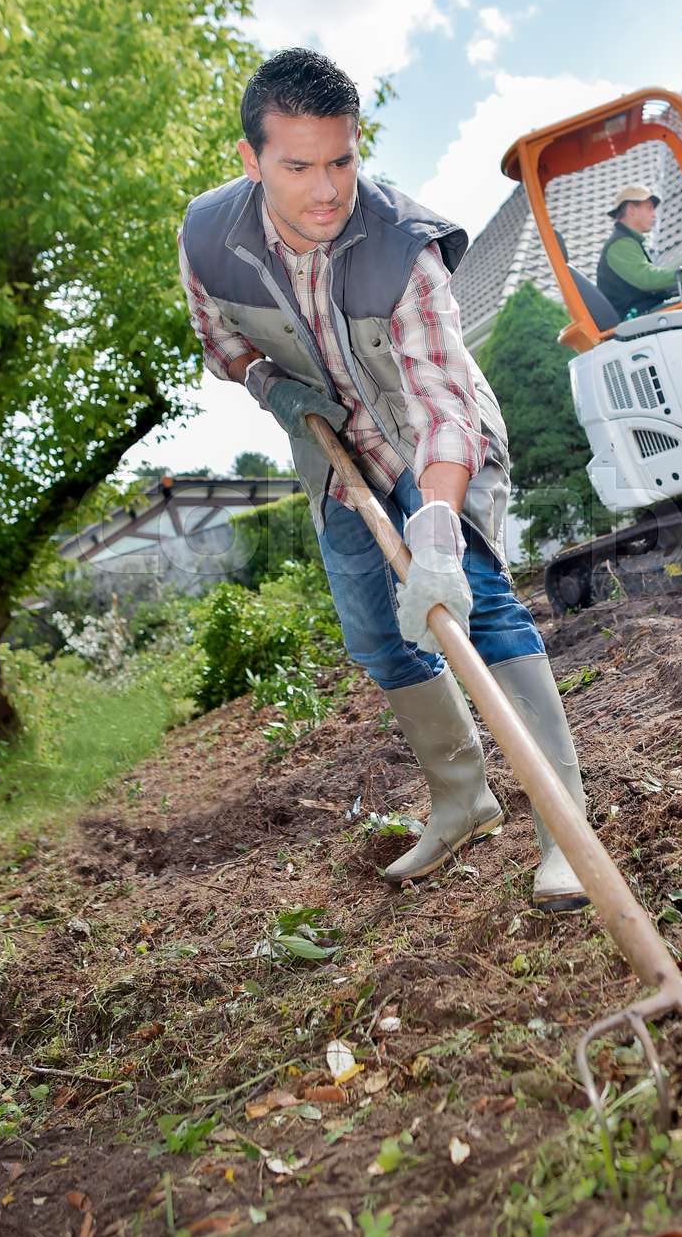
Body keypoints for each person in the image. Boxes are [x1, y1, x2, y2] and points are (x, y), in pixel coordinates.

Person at [178, 48, 588, 912]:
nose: (327, 190)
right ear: (251, 160)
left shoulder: (404, 247)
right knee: (375, 636)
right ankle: (462, 797)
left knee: (481, 606)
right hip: (335, 457)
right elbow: (220, 339)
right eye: (298, 166)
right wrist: (268, 385)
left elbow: (443, 405)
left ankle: (566, 830)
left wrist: (435, 527)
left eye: (342, 160)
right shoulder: (209, 236)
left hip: (427, 443)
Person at [597, 184, 682, 319]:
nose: (654, 215)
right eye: (649, 208)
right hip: (636, 320)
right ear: (631, 209)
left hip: (643, 316)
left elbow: (654, 286)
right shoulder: (619, 245)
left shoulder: (629, 243)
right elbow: (648, 279)